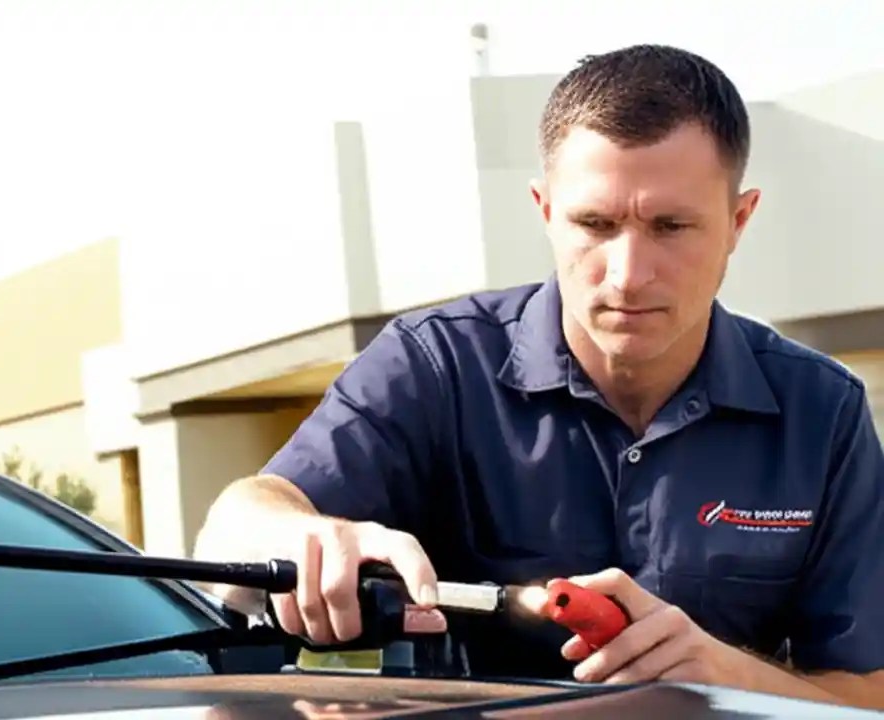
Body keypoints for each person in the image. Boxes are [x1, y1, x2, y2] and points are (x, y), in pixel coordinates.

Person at [191, 44, 884, 709]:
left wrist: (719, 674)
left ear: (739, 220)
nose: (628, 274)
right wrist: (298, 538)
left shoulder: (822, 413)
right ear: (546, 211)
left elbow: (869, 695)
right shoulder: (433, 366)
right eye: (595, 223)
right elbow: (235, 523)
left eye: (672, 226)